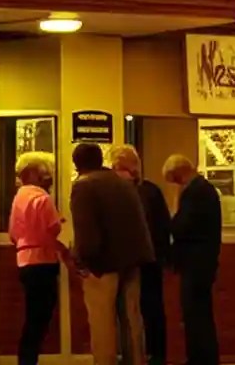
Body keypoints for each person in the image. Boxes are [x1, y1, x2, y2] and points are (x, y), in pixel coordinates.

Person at [70, 142, 155, 365]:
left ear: (77, 164)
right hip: (133, 259)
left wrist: (84, 261)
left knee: (102, 323)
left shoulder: (83, 185)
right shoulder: (123, 182)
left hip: (103, 263)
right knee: (131, 320)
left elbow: (86, 230)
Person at [108, 144, 172, 365]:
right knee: (150, 307)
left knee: (134, 309)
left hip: (134, 259)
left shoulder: (126, 192)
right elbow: (164, 226)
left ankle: (141, 353)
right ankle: (154, 353)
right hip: (150, 258)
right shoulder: (150, 191)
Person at [8, 151, 68, 365]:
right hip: (43, 261)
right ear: (32, 173)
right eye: (44, 172)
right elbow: (55, 228)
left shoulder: (19, 197)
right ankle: (28, 360)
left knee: (32, 316)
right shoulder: (43, 198)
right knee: (41, 317)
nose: (48, 177)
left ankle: (26, 359)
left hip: (24, 260)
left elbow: (13, 233)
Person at [162, 154, 222, 365]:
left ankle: (199, 358)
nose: (175, 185)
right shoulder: (206, 190)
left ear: (180, 173)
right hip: (203, 263)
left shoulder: (195, 192)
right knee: (201, 314)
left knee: (195, 315)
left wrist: (169, 223)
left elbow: (182, 226)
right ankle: (204, 357)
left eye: (174, 180)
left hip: (195, 264)